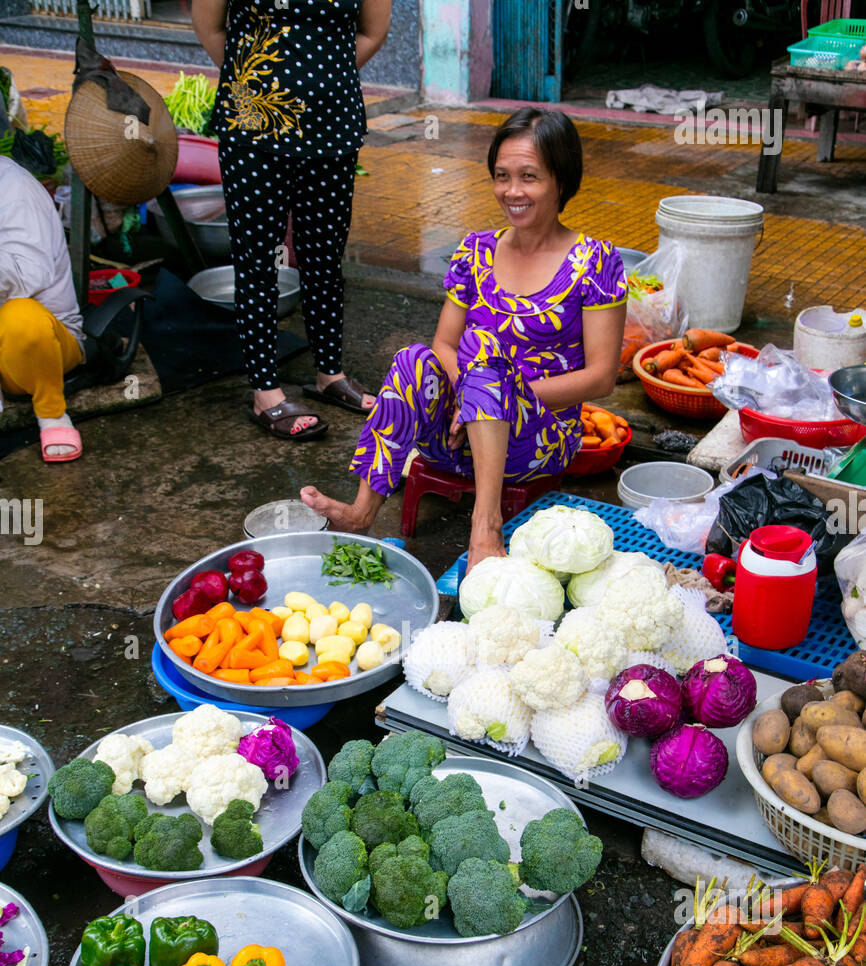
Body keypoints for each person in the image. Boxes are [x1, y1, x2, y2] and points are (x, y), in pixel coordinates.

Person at [302, 107, 628, 569]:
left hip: (536, 440)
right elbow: (444, 345)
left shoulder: (595, 261)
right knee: (413, 359)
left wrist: (493, 397)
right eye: (501, 176)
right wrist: (469, 400)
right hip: (456, 435)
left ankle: (485, 525)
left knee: (486, 360)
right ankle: (361, 512)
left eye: (529, 177)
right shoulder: (476, 250)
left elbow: (600, 378)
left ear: (561, 179)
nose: (512, 191)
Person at [191, 0, 391, 440]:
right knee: (256, 258)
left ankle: (329, 375)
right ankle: (265, 391)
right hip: (252, 120)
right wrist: (264, 82)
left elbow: (372, 32)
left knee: (324, 256)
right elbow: (210, 26)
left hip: (332, 121)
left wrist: (319, 78)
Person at [0, 155, 85, 461]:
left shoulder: (12, 185)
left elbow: (31, 273)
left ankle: (52, 414)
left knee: (22, 318)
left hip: (41, 343)